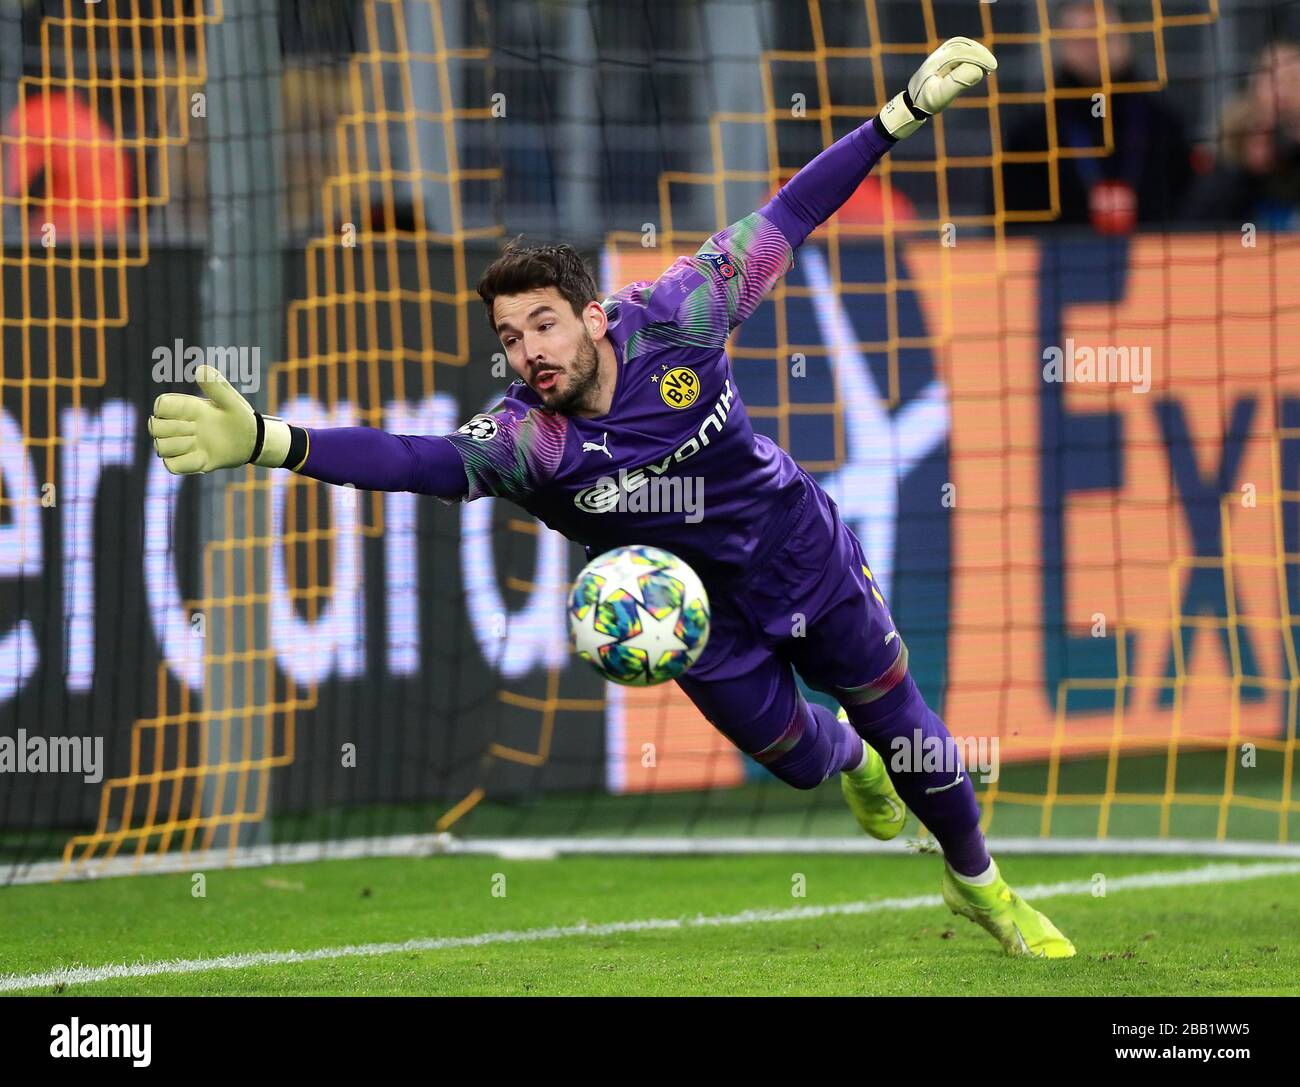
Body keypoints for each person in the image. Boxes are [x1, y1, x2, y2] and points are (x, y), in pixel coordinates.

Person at [149, 38, 1074, 958]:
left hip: (800, 553)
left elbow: (790, 213)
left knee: (907, 723)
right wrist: (271, 441)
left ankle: (979, 880)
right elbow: (414, 458)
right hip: (685, 615)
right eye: (510, 338)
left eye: (543, 324)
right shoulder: (529, 441)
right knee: (801, 761)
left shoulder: (684, 313)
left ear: (595, 316)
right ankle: (849, 762)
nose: (529, 352)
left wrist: (898, 116)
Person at [999, 0, 1192, 233]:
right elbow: (1011, 220)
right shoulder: (1031, 130)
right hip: (1059, 261)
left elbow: (1187, 205)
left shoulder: (1162, 122)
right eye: (1082, 40)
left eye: (1103, 38)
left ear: (1126, 39)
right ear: (1061, 45)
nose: (1094, 49)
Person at [1184, 42, 1300, 230]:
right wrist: (1248, 170)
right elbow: (1196, 223)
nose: (1283, 91)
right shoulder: (1230, 141)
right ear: (1255, 85)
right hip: (1241, 246)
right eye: (1274, 80)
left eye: (1293, 80)